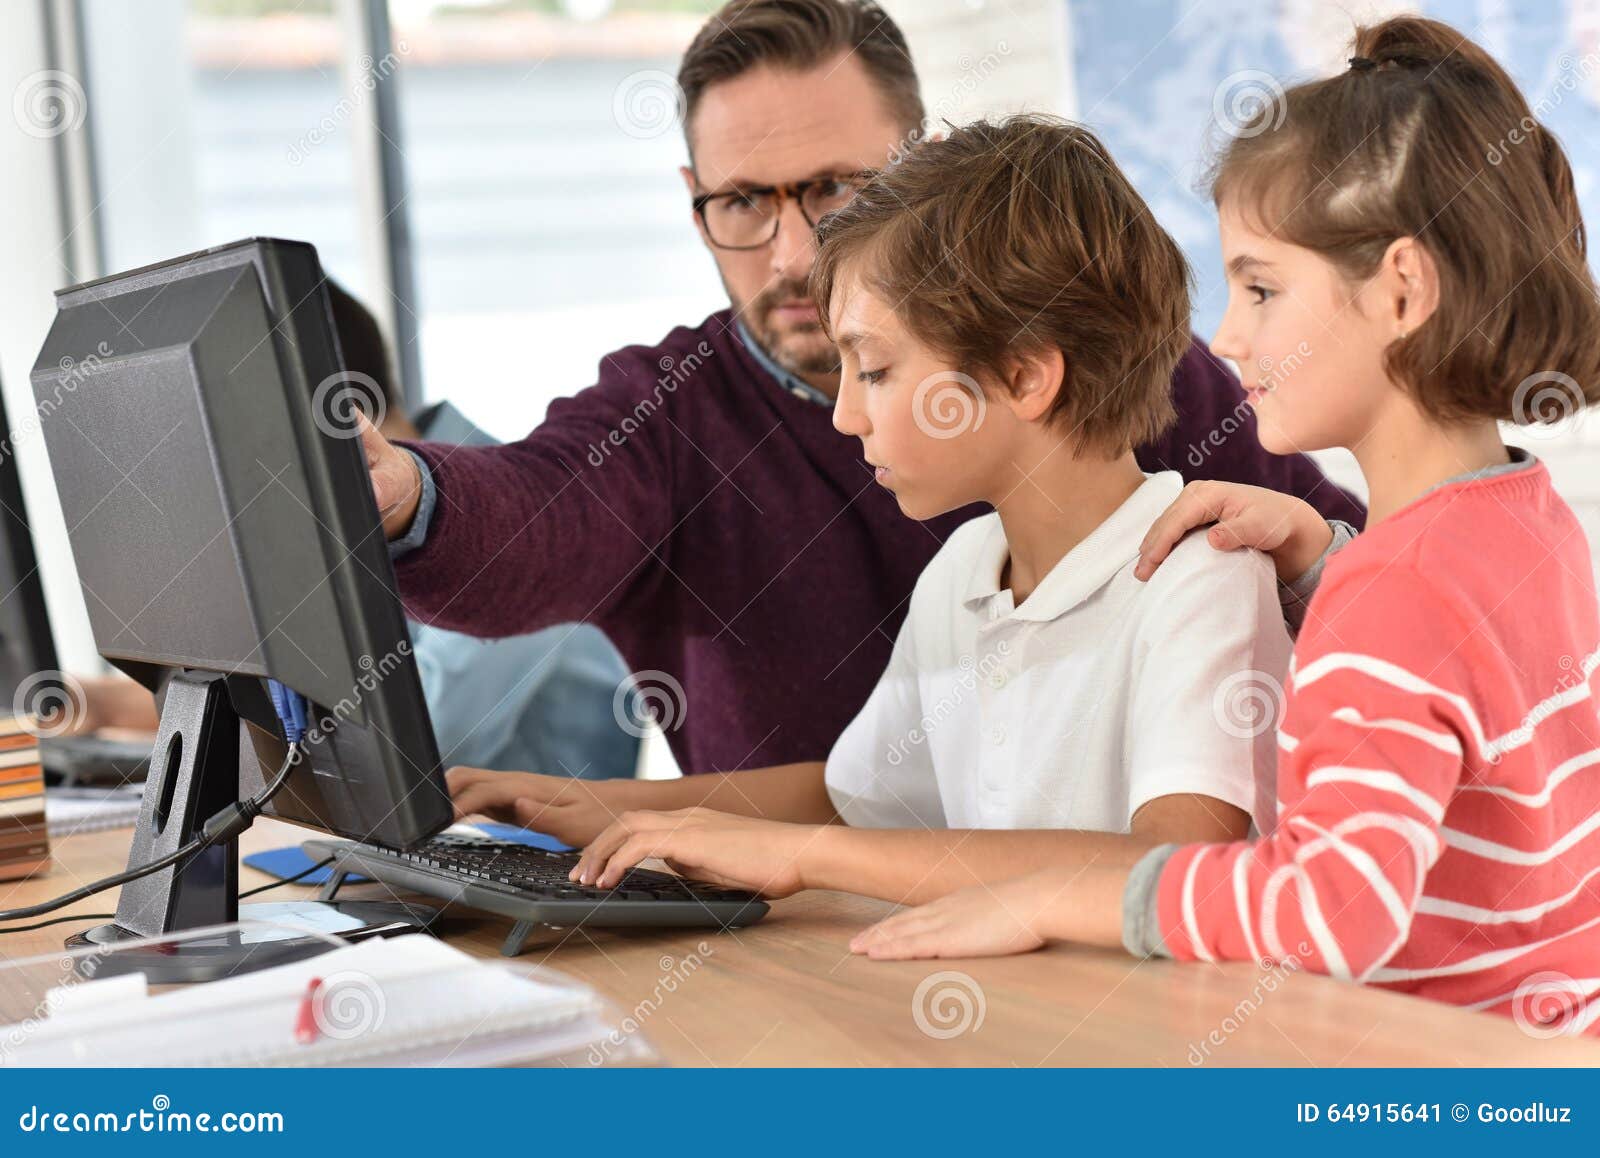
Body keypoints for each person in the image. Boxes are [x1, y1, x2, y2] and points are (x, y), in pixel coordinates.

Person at [361, 0, 1361, 827]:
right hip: (833, 958)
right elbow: (537, 518)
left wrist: (1317, 557)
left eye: (837, 188)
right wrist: (404, 491)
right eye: (743, 203)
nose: (795, 255)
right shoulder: (679, 421)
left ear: (921, 169)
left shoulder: (1164, 413)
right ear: (694, 198)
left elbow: (1377, 604)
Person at [847, 17, 1600, 1034]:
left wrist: (1060, 897)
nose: (1229, 335)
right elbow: (1472, 717)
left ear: (1402, 289)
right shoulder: (1527, 516)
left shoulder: (1391, 595)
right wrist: (1324, 560)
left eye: (1259, 287)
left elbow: (1332, 914)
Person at [562, 115, 1290, 901]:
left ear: (1022, 377)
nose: (846, 416)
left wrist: (806, 857)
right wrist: (591, 807)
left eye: (874, 370)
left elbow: (1173, 869)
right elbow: (857, 800)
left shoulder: (1201, 578)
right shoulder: (965, 568)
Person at [70, 282, 641, 784]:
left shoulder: (513, 517)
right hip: (412, 854)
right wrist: (110, 703)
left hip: (547, 859)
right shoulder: (340, 515)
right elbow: (293, 692)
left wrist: (119, 708)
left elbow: (415, 740)